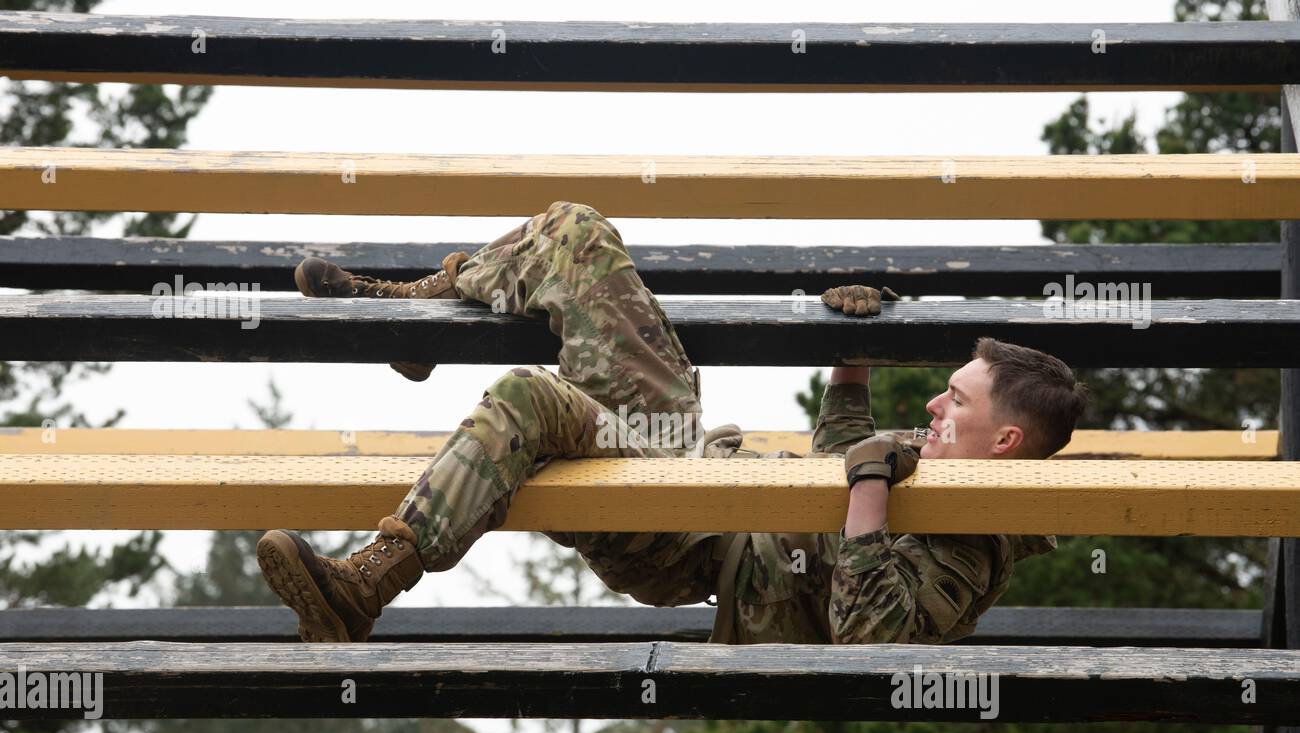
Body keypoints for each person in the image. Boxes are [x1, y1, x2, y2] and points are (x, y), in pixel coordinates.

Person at [256, 201, 1088, 644]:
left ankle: (370, 581)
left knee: (526, 397)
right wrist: (854, 351)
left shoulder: (975, 544)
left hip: (690, 536)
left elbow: (866, 635)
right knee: (578, 231)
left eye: (957, 401)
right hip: (685, 461)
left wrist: (870, 486)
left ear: (1007, 440)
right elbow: (837, 457)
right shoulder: (930, 462)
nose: (938, 407)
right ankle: (417, 311)